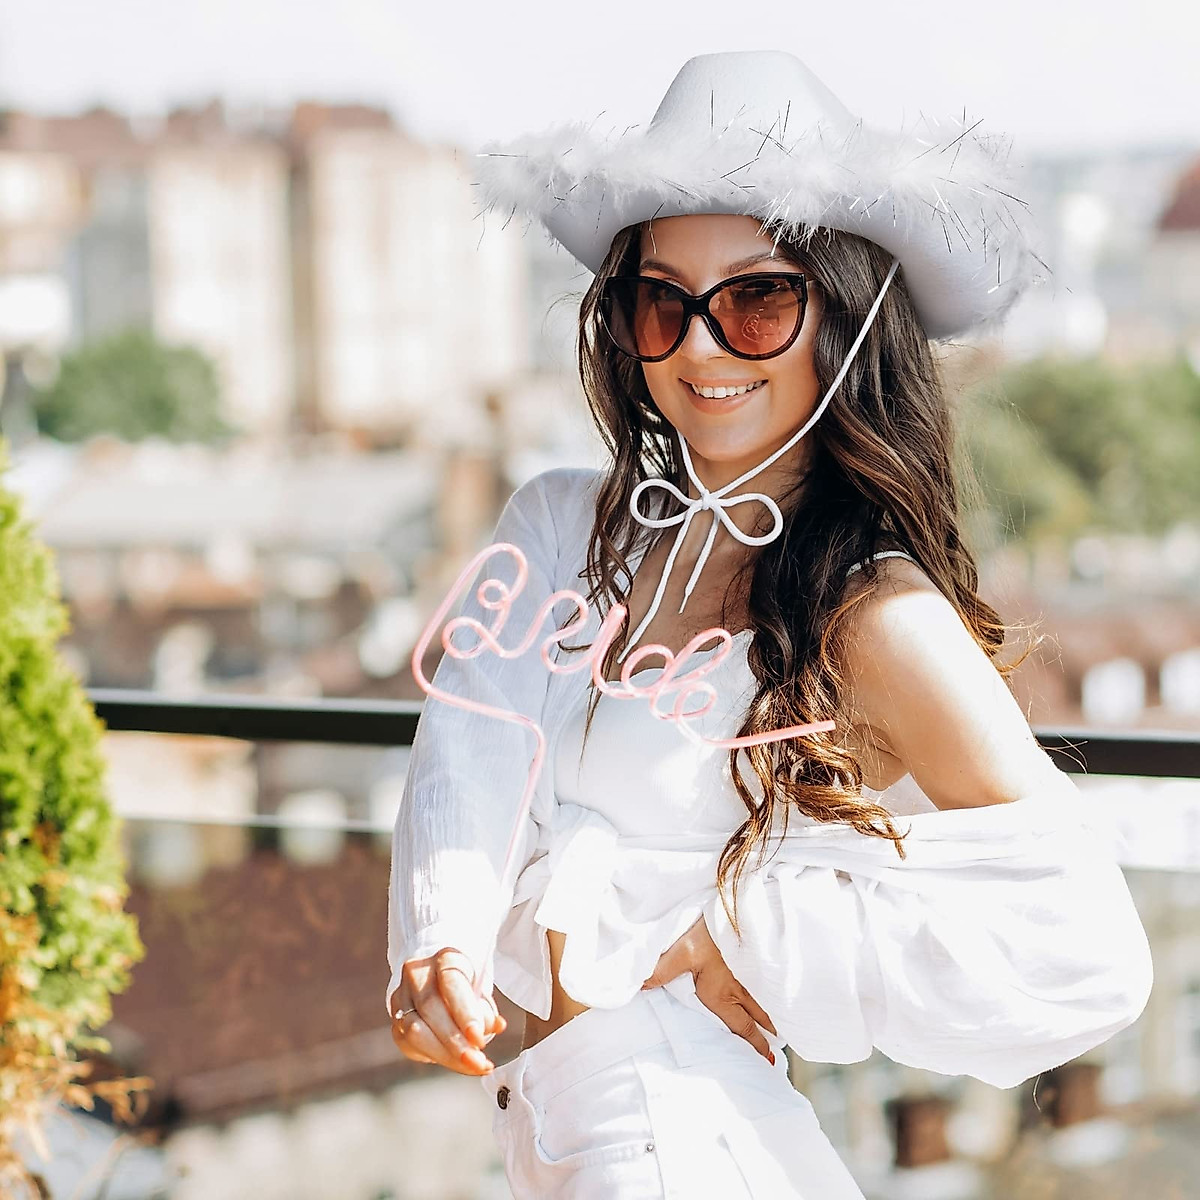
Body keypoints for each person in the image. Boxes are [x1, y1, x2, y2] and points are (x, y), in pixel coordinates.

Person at [386, 51, 1153, 1198]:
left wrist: (734, 939)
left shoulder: (872, 612)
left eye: (756, 299)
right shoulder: (559, 528)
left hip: (685, 1145)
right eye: (664, 301)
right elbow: (474, 738)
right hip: (557, 1133)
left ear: (841, 316)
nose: (699, 346)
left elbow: (1088, 953)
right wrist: (441, 935)